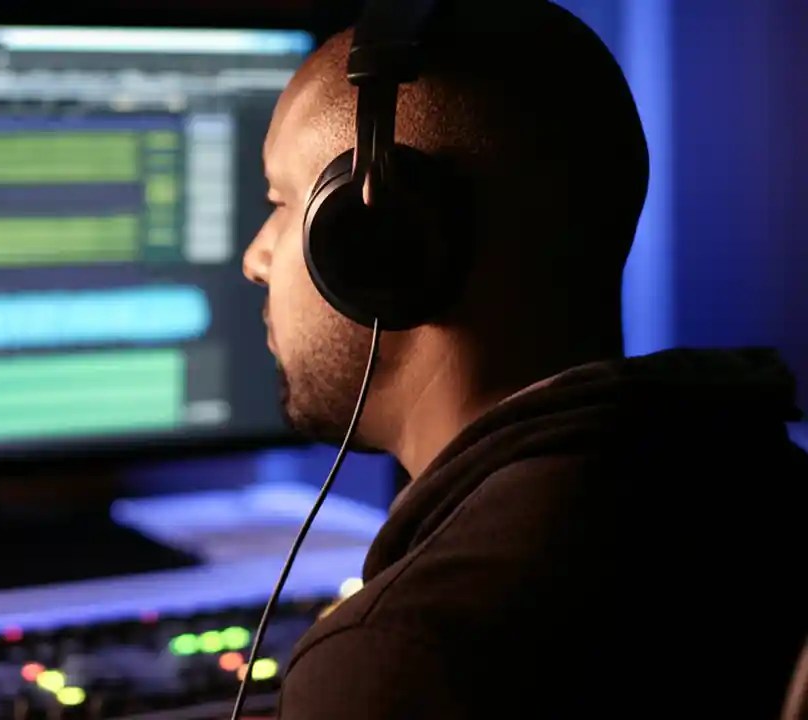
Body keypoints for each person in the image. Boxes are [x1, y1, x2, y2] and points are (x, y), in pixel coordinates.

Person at [242, 3, 808, 718]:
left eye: (282, 202)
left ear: (377, 243)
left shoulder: (405, 657)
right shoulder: (759, 482)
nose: (256, 257)